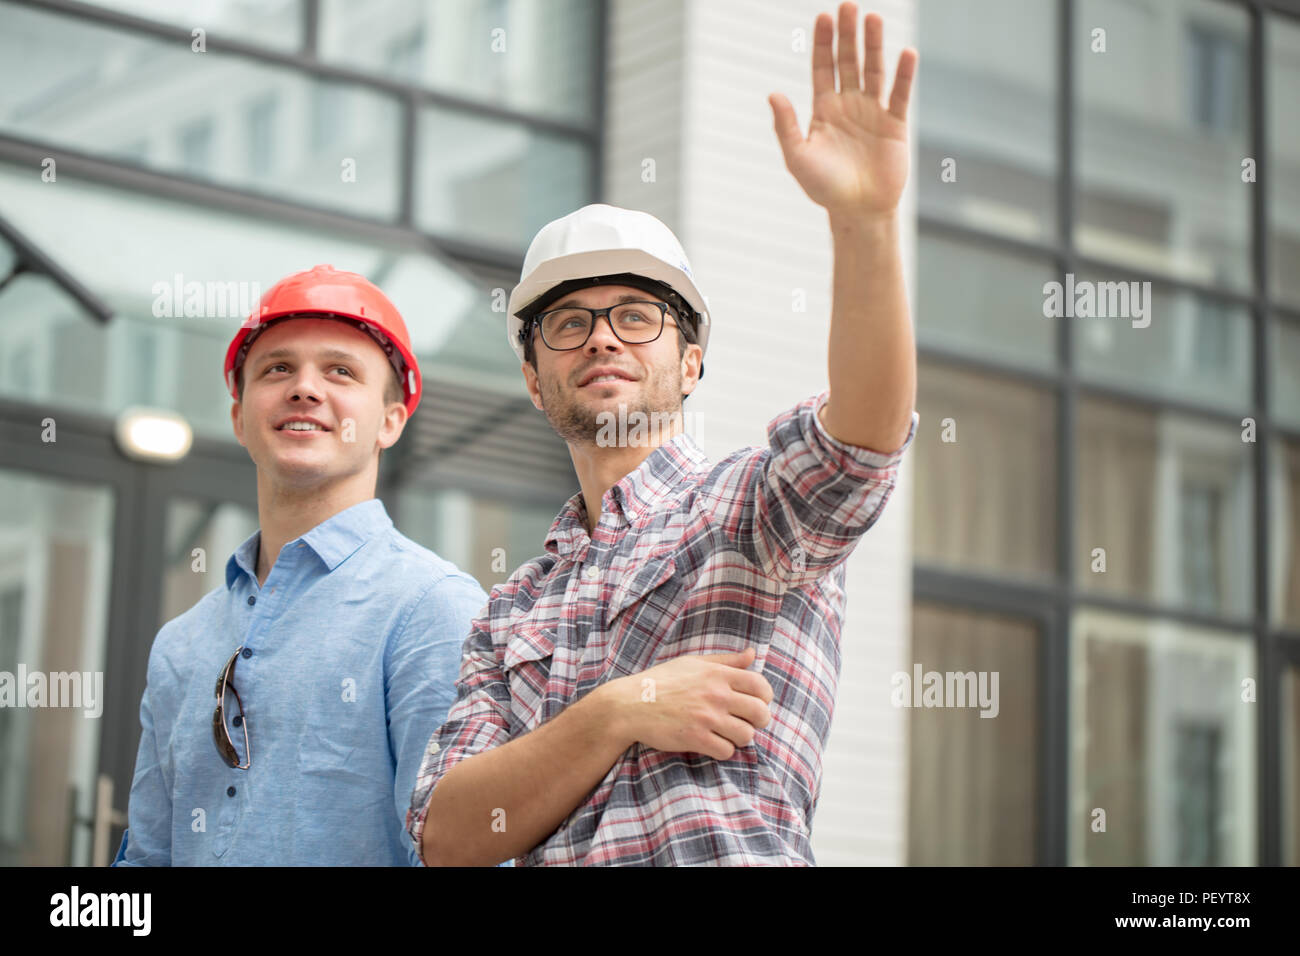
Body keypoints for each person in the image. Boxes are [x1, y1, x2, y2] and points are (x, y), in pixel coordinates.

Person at [408, 3, 920, 866]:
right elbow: (450, 834)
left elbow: (860, 442)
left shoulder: (749, 513)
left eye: (636, 316)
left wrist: (863, 224)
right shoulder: (512, 613)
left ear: (689, 365)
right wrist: (622, 708)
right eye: (567, 324)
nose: (602, 336)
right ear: (534, 380)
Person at [114, 264, 487, 865]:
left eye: (340, 371)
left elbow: (455, 851)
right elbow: (148, 859)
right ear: (239, 418)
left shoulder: (433, 609)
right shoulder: (181, 645)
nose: (305, 388)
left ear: (389, 421)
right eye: (277, 368)